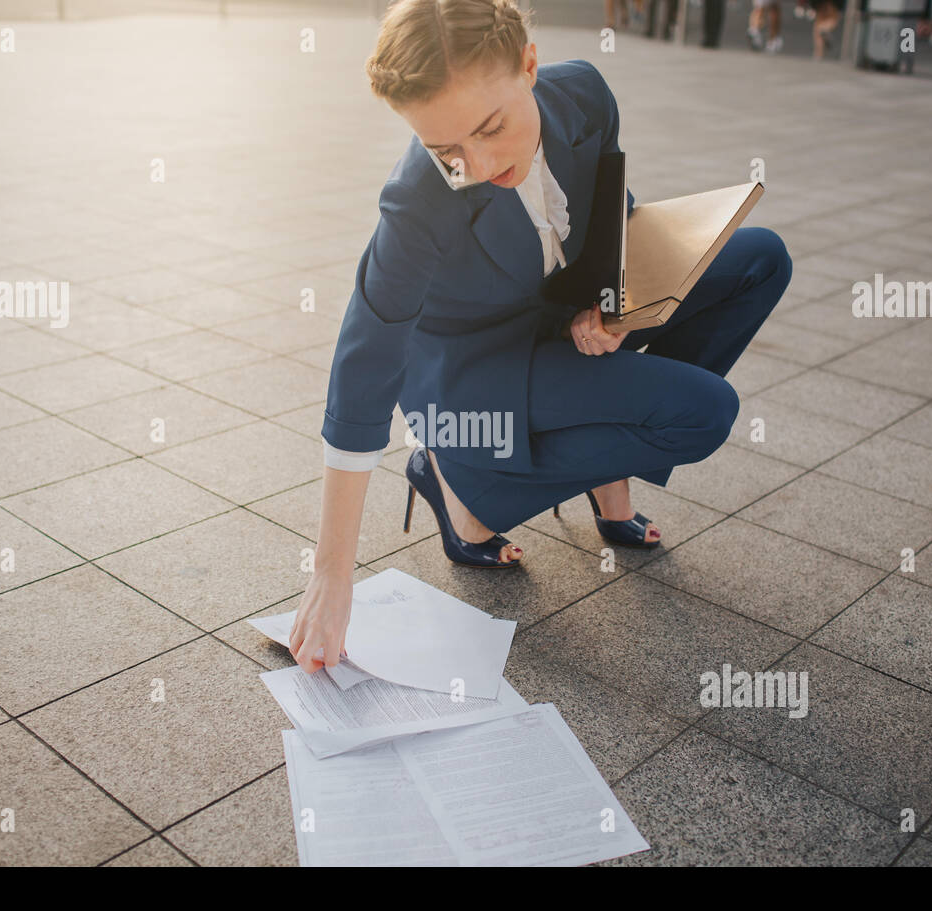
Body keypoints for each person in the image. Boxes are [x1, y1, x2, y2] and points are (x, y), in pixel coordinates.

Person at [289, 0, 792, 674]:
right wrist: (332, 572)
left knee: (760, 256)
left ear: (529, 65)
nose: (479, 161)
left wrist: (609, 309)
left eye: (491, 126)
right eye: (447, 152)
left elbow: (612, 217)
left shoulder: (582, 93)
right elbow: (363, 363)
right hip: (474, 373)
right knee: (704, 414)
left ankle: (606, 469)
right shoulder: (418, 200)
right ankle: (457, 481)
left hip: (554, 317)